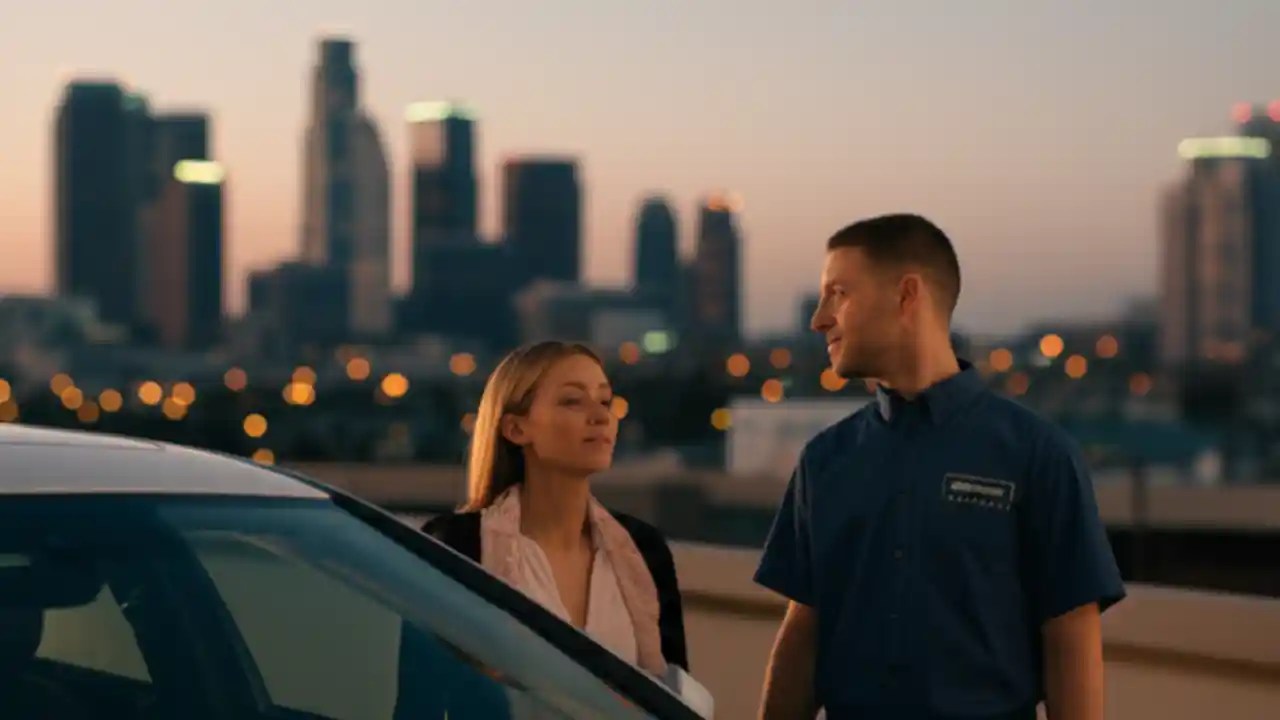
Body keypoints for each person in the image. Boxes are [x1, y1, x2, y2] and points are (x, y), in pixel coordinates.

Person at [754, 214, 1125, 720]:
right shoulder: (825, 459)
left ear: (907, 295)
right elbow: (804, 631)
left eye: (838, 293)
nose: (819, 319)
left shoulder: (1038, 455)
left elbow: (1071, 636)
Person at [423, 340, 689, 678]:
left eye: (605, 401)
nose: (601, 417)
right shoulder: (458, 545)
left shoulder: (644, 550)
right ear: (516, 429)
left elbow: (676, 694)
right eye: (572, 401)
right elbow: (430, 685)